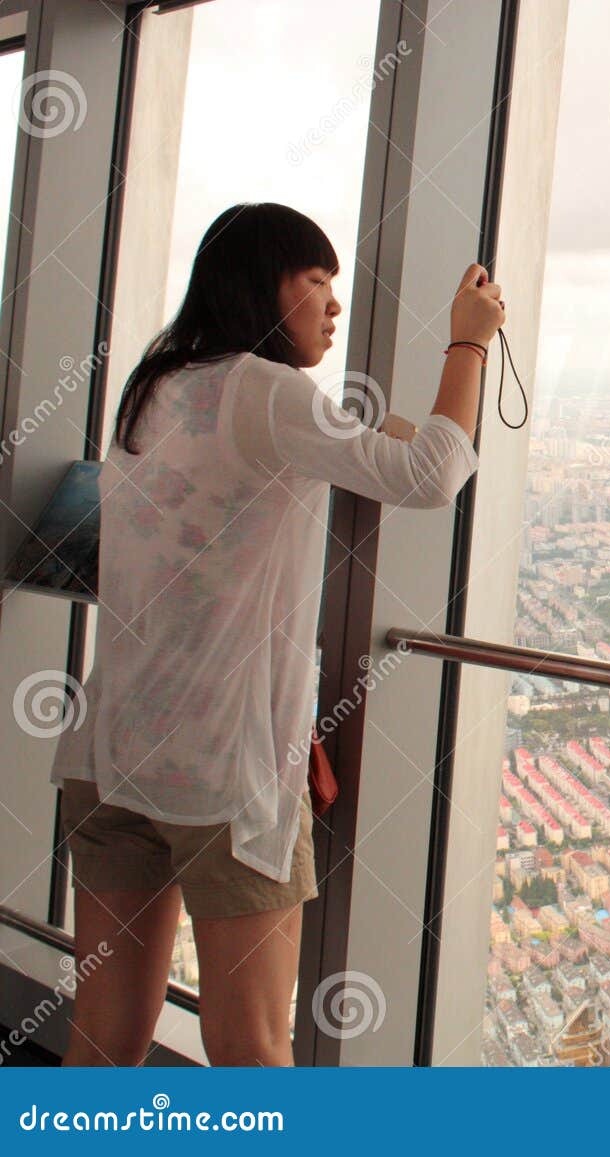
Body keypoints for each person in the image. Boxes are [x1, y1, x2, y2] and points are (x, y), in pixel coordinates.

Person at [49, 201, 504, 1066]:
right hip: (224, 771)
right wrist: (468, 343)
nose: (334, 303)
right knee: (253, 1048)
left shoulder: (155, 383)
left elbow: (288, 468)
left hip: (111, 751)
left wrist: (377, 436)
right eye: (317, 279)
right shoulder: (267, 389)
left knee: (104, 1039)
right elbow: (432, 476)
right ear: (264, 284)